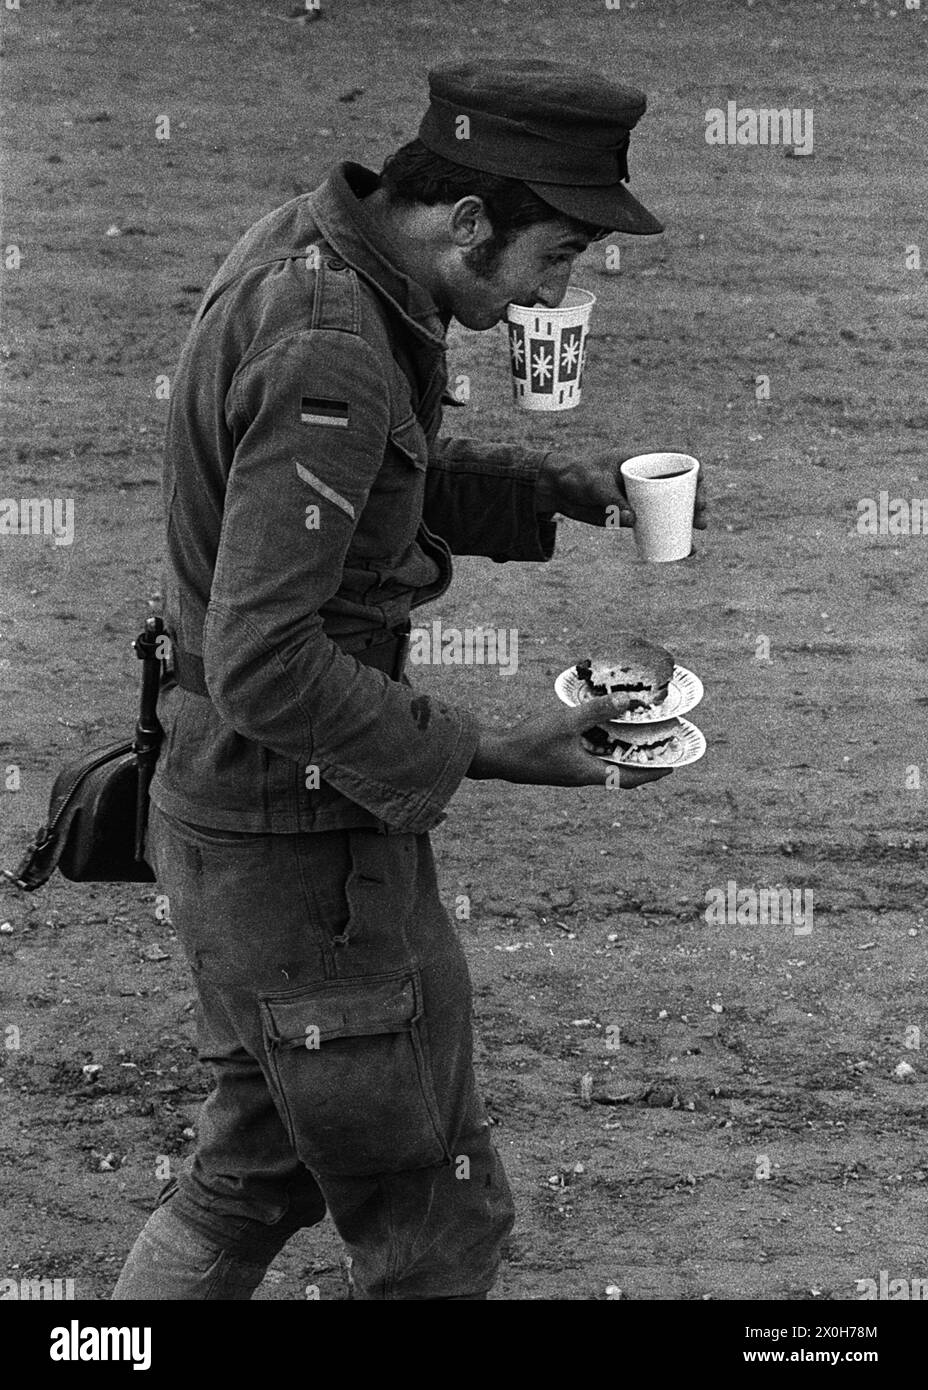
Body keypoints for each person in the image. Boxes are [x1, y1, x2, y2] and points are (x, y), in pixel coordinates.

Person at [113, 57, 706, 1302]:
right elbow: (267, 659)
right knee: (437, 1219)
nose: (560, 289)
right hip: (300, 844)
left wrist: (557, 491)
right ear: (470, 219)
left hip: (244, 817)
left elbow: (360, 490)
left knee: (255, 1168)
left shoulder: (319, 252)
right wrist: (494, 746)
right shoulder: (333, 348)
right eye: (556, 255)